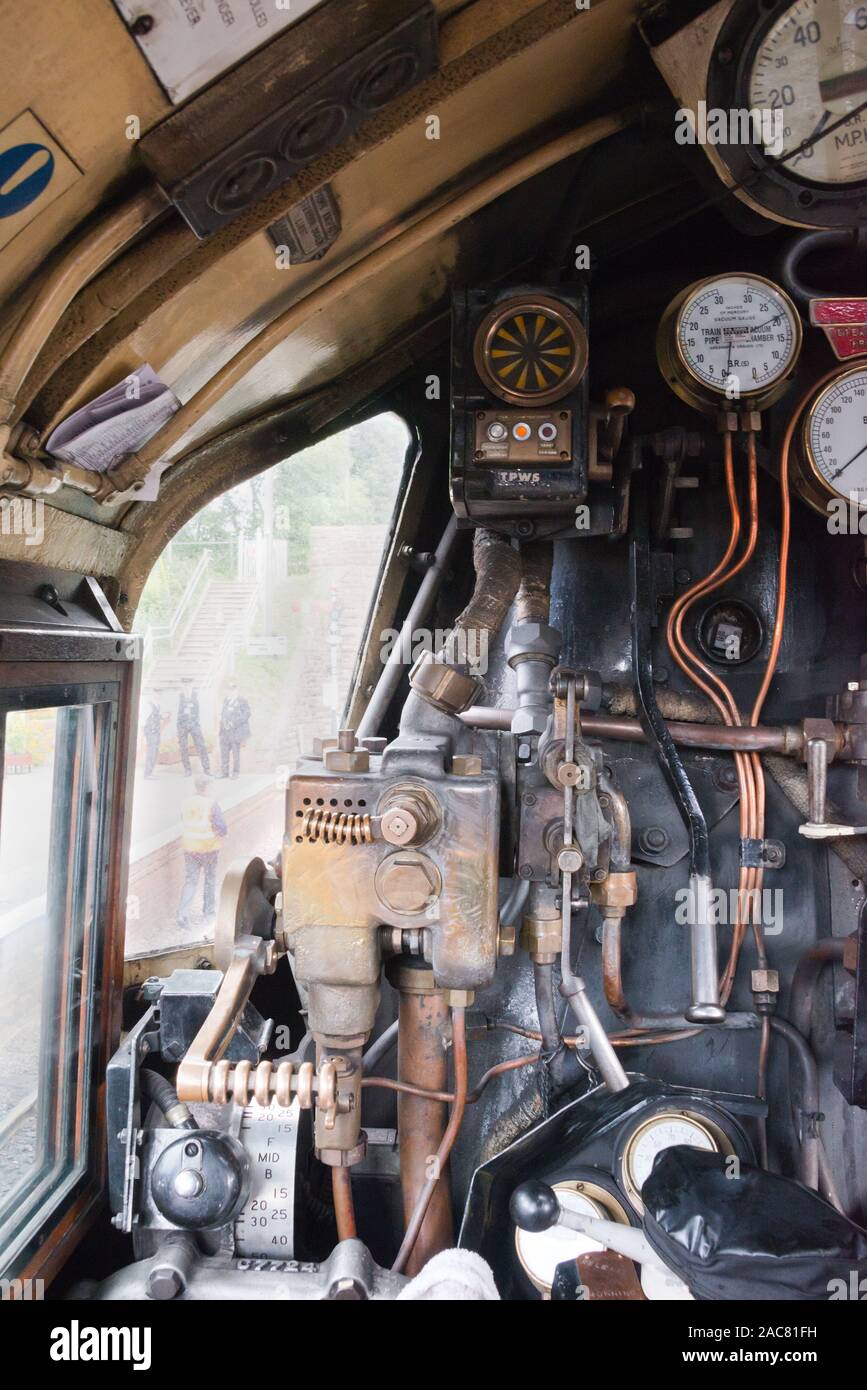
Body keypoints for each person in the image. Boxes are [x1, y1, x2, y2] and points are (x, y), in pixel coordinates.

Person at [177, 775, 227, 928]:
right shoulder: (211, 804)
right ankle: (208, 913)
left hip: (190, 848)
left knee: (191, 881)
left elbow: (184, 821)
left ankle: (182, 914)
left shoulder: (186, 803)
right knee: (210, 880)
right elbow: (222, 828)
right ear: (206, 787)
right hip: (208, 848)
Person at [177, 677, 210, 775]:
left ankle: (207, 769)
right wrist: (178, 727)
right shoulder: (179, 696)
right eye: (185, 685)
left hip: (194, 724)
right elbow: (177, 713)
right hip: (182, 726)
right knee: (183, 748)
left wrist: (197, 722)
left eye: (188, 684)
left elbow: (201, 711)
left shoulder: (197, 695)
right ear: (183, 685)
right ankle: (187, 769)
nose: (187, 686)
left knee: (201, 746)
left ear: (192, 685)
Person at [219, 681, 251, 779]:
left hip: (235, 731)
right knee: (224, 753)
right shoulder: (226, 700)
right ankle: (224, 773)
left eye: (233, 690)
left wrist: (234, 722)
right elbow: (223, 713)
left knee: (235, 753)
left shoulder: (242, 700)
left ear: (237, 690)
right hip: (225, 731)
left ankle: (236, 772)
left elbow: (247, 714)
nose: (231, 692)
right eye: (229, 690)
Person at [142, 692, 162, 779]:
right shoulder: (148, 705)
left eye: (159, 694)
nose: (158, 695)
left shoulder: (158, 705)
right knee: (151, 753)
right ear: (153, 694)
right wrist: (145, 734)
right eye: (156, 693)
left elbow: (156, 717)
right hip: (151, 732)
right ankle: (147, 774)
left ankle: (150, 772)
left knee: (155, 752)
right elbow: (144, 720)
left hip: (156, 732)